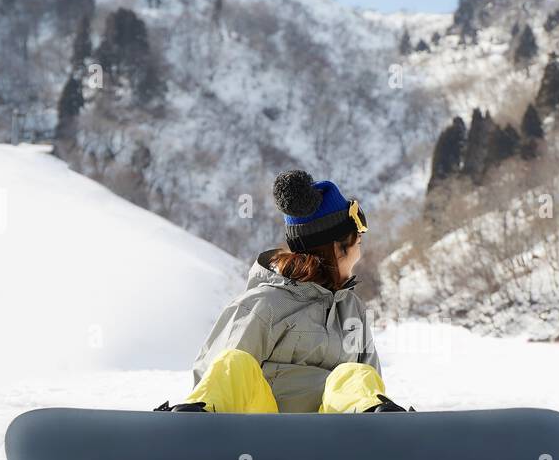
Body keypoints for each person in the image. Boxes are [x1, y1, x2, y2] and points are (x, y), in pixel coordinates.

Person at [155, 169, 410, 414]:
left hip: (331, 437)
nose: (359, 254)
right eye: (358, 244)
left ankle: (377, 429)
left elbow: (369, 383)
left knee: (355, 374)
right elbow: (218, 378)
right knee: (234, 363)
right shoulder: (263, 304)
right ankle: (195, 426)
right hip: (260, 432)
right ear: (338, 248)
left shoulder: (352, 310)